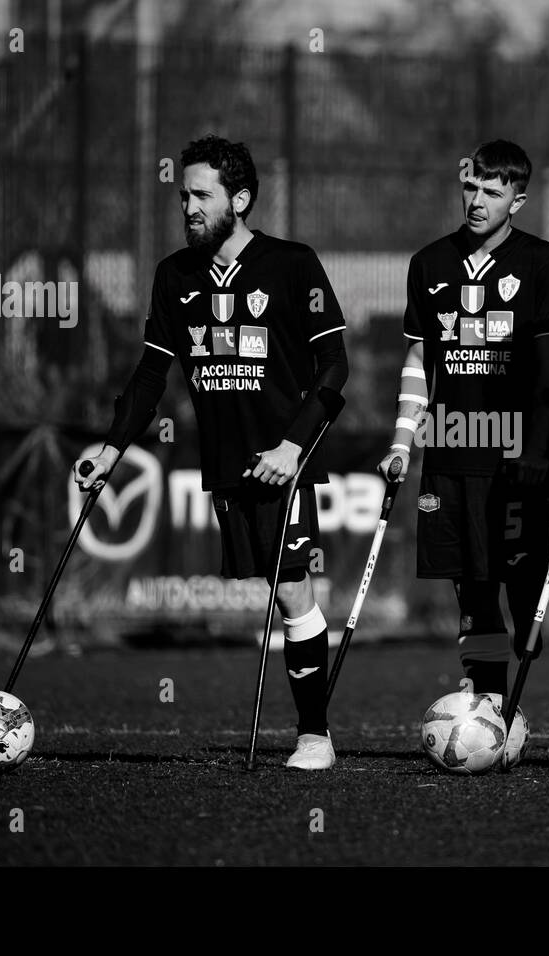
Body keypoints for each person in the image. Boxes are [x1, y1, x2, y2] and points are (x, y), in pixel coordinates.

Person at [75, 134, 348, 770]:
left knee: (293, 591)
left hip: (287, 461)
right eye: (183, 197)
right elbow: (151, 376)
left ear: (241, 198)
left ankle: (315, 736)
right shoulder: (175, 275)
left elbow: (334, 365)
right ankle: (312, 731)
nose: (189, 207)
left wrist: (293, 444)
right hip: (227, 464)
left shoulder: (293, 264)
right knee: (274, 592)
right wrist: (113, 450)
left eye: (202, 195)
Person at [379, 140, 549, 701]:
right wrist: (401, 443)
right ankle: (489, 704)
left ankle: (515, 697)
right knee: (472, 597)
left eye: (493, 192)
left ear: (519, 199)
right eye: (471, 188)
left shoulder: (540, 262)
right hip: (449, 452)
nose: (477, 201)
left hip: (515, 461)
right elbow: (419, 364)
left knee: (521, 590)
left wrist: (541, 449)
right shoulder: (429, 263)